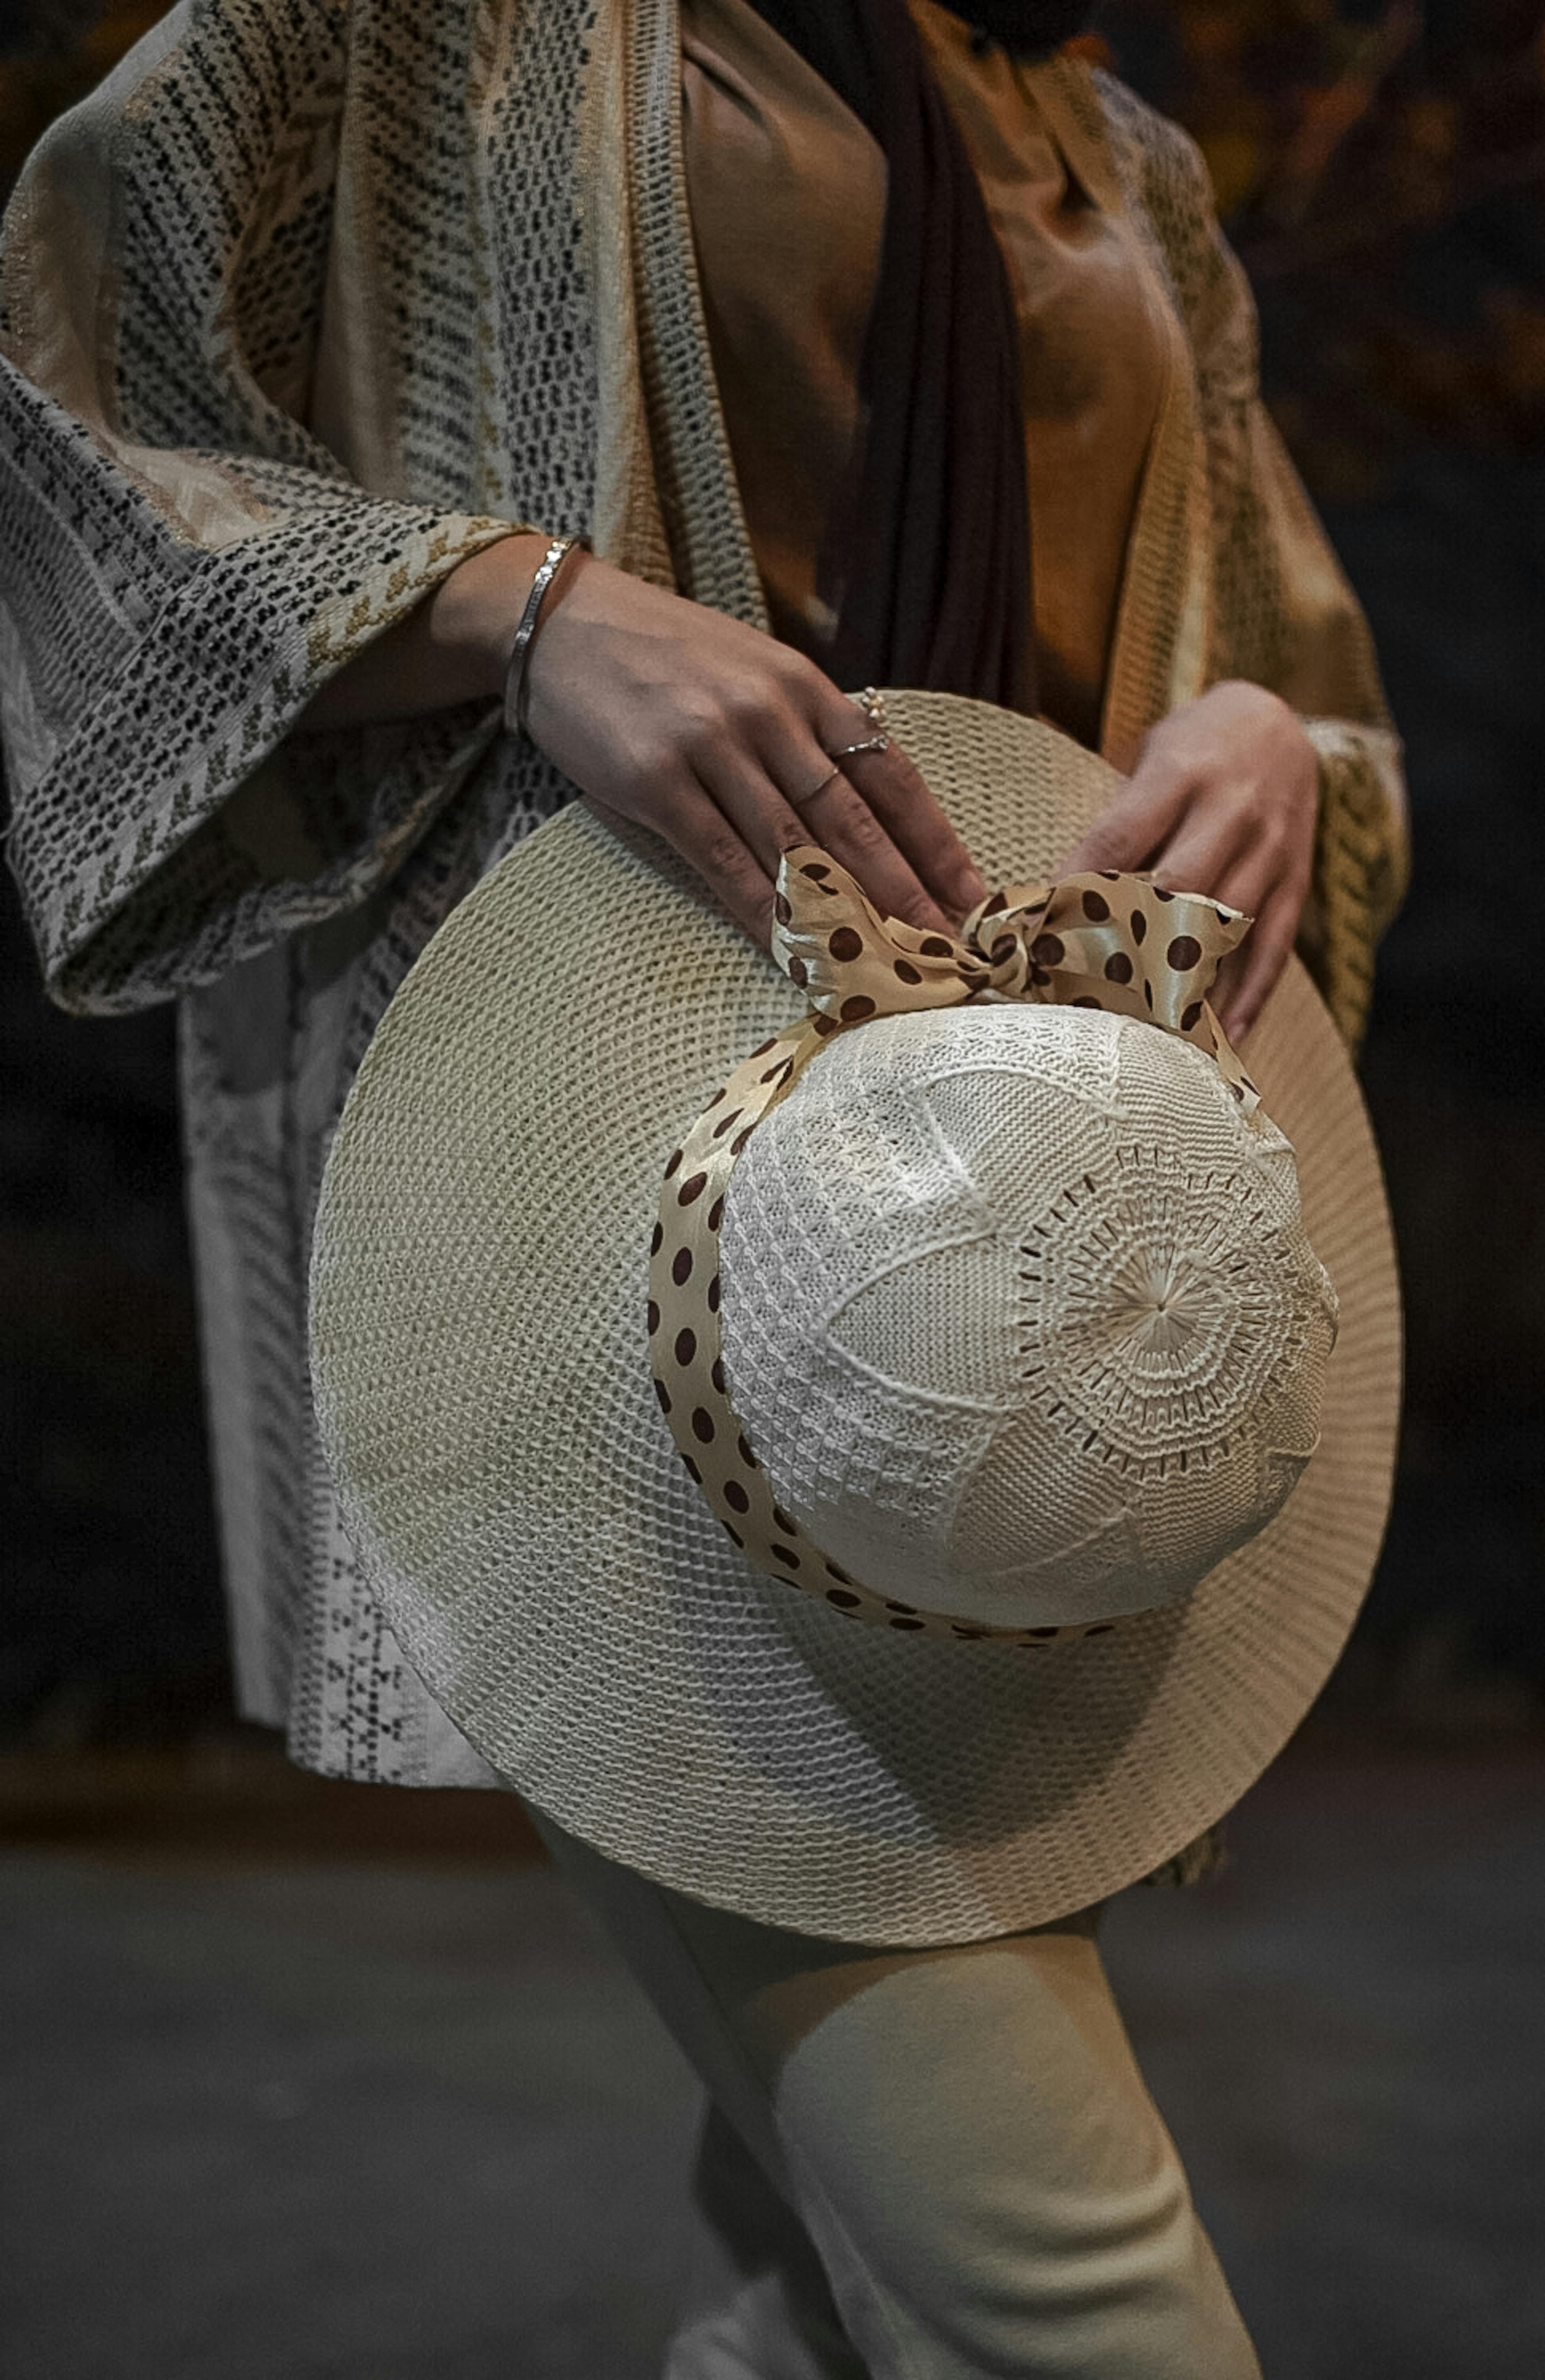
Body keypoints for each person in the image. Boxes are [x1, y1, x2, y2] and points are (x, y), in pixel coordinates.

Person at [0, 2, 1408, 2371]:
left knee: (807, 2271)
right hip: (612, 1201)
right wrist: (514, 606)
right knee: (1070, 2294)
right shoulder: (410, 26)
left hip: (1021, 1248)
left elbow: (1285, 664)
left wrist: (1270, 727)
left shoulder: (1107, 146)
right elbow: (55, 410)